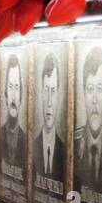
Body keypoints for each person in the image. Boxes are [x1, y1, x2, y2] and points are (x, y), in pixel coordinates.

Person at [73, 47, 102, 196]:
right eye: (89, 88)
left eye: (99, 88)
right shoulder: (72, 145)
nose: (94, 100)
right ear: (83, 93)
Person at [35, 52, 66, 181]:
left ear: (58, 94)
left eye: (53, 91)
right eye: (46, 90)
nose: (49, 102)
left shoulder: (64, 152)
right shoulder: (31, 147)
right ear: (41, 93)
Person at [0, 53, 28, 167]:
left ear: (21, 96)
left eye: (17, 87)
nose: (14, 96)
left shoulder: (26, 141)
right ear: (5, 93)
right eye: (10, 87)